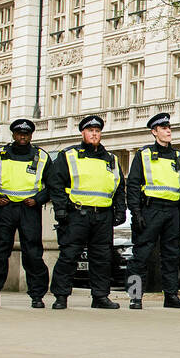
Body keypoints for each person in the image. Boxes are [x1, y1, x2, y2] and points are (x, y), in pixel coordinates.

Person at [47, 115, 125, 309]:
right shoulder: (70, 155)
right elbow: (55, 183)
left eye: (97, 131)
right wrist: (61, 209)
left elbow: (119, 186)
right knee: (69, 255)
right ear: (83, 133)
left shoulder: (111, 159)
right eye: (91, 131)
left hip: (103, 215)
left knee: (102, 258)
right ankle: (61, 296)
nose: (94, 134)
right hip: (77, 214)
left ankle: (100, 296)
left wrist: (120, 210)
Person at [0, 118, 50, 308]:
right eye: (20, 133)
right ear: (13, 135)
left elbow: (52, 185)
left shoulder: (42, 156)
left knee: (33, 254)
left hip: (30, 210)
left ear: (31, 135)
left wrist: (38, 199)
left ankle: (37, 296)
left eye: (26, 134)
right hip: (5, 208)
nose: (23, 137)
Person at [125, 113, 180, 310]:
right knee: (140, 255)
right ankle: (135, 297)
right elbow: (134, 185)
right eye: (163, 128)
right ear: (154, 132)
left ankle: (171, 296)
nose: (168, 131)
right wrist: (135, 212)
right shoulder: (143, 155)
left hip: (172, 211)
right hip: (150, 210)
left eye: (169, 127)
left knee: (171, 256)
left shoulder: (179, 156)